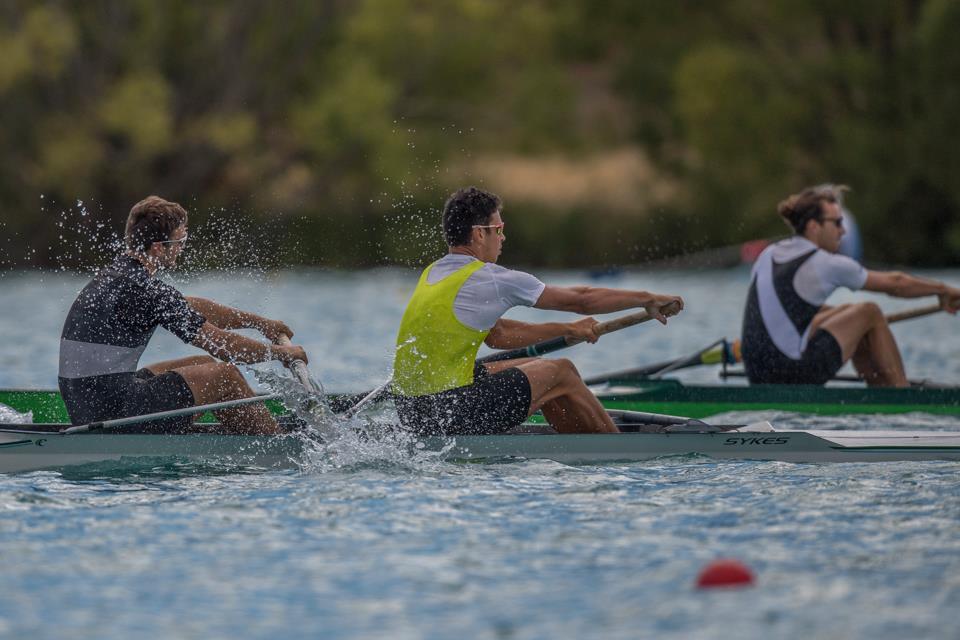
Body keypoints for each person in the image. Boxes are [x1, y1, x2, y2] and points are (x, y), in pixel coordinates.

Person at [391, 186, 684, 435]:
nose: (503, 238)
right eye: (499, 229)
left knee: (530, 369)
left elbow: (499, 335)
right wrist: (647, 299)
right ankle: (616, 448)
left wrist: (569, 331)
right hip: (445, 414)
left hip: (412, 412)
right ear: (479, 234)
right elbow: (580, 299)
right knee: (562, 371)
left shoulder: (433, 273)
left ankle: (575, 439)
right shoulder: (489, 278)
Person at [58, 196, 308, 434]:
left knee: (205, 363)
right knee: (226, 376)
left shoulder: (119, 273)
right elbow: (223, 346)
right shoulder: (147, 290)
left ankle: (248, 430)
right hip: (111, 412)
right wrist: (283, 354)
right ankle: (276, 444)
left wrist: (261, 324)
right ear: (157, 248)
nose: (181, 249)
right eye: (179, 242)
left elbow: (192, 308)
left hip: (89, 403)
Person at [741, 185, 960, 387]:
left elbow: (786, 315)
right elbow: (896, 284)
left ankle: (878, 390)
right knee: (869, 312)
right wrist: (943, 290)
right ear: (813, 227)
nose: (843, 231)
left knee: (847, 312)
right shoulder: (824, 263)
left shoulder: (768, 254)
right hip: (791, 374)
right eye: (836, 223)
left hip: (757, 373)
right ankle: (901, 396)